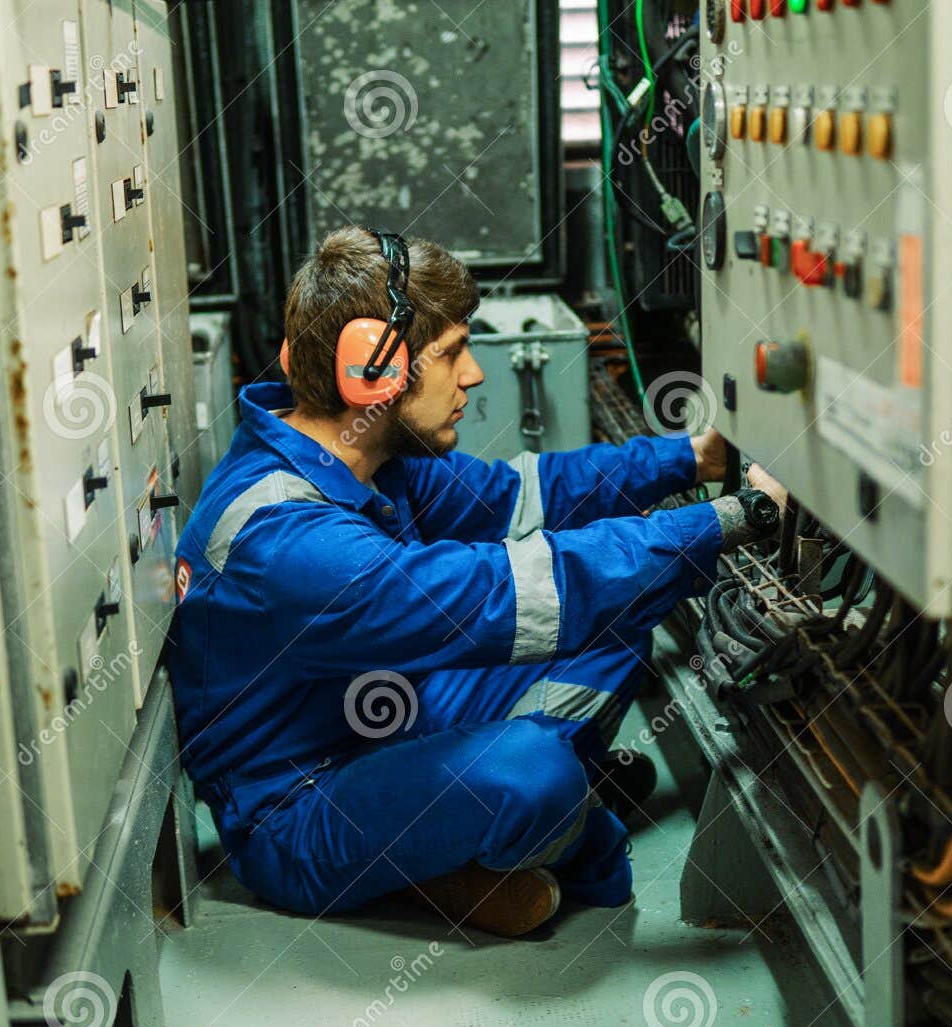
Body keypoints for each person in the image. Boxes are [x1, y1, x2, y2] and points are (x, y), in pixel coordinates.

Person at [168, 226, 785, 936]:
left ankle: (475, 845)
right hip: (302, 806)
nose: (474, 375)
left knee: (618, 613)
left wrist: (692, 458)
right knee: (534, 771)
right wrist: (743, 516)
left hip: (392, 707)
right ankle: (541, 825)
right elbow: (506, 597)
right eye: (454, 353)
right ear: (372, 372)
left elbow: (527, 493)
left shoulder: (363, 453)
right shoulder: (288, 543)